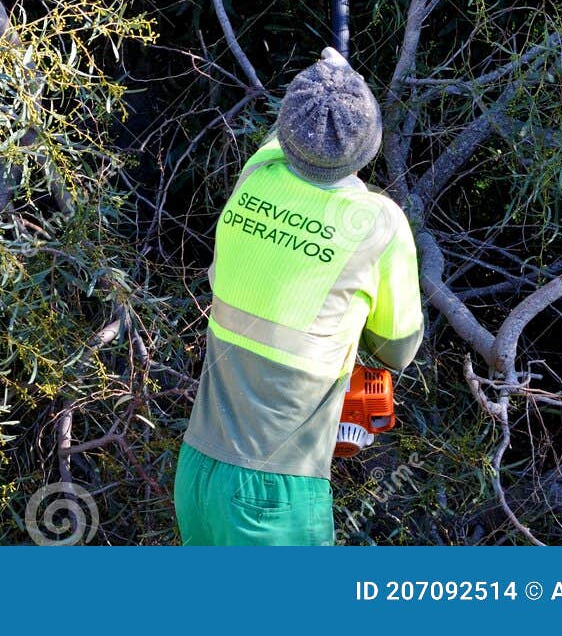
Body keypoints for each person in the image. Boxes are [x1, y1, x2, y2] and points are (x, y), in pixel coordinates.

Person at [174, 47, 423, 546]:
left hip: (198, 473)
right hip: (273, 498)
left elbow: (289, 135)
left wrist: (327, 77)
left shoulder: (256, 175)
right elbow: (398, 349)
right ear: (368, 145)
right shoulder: (379, 222)